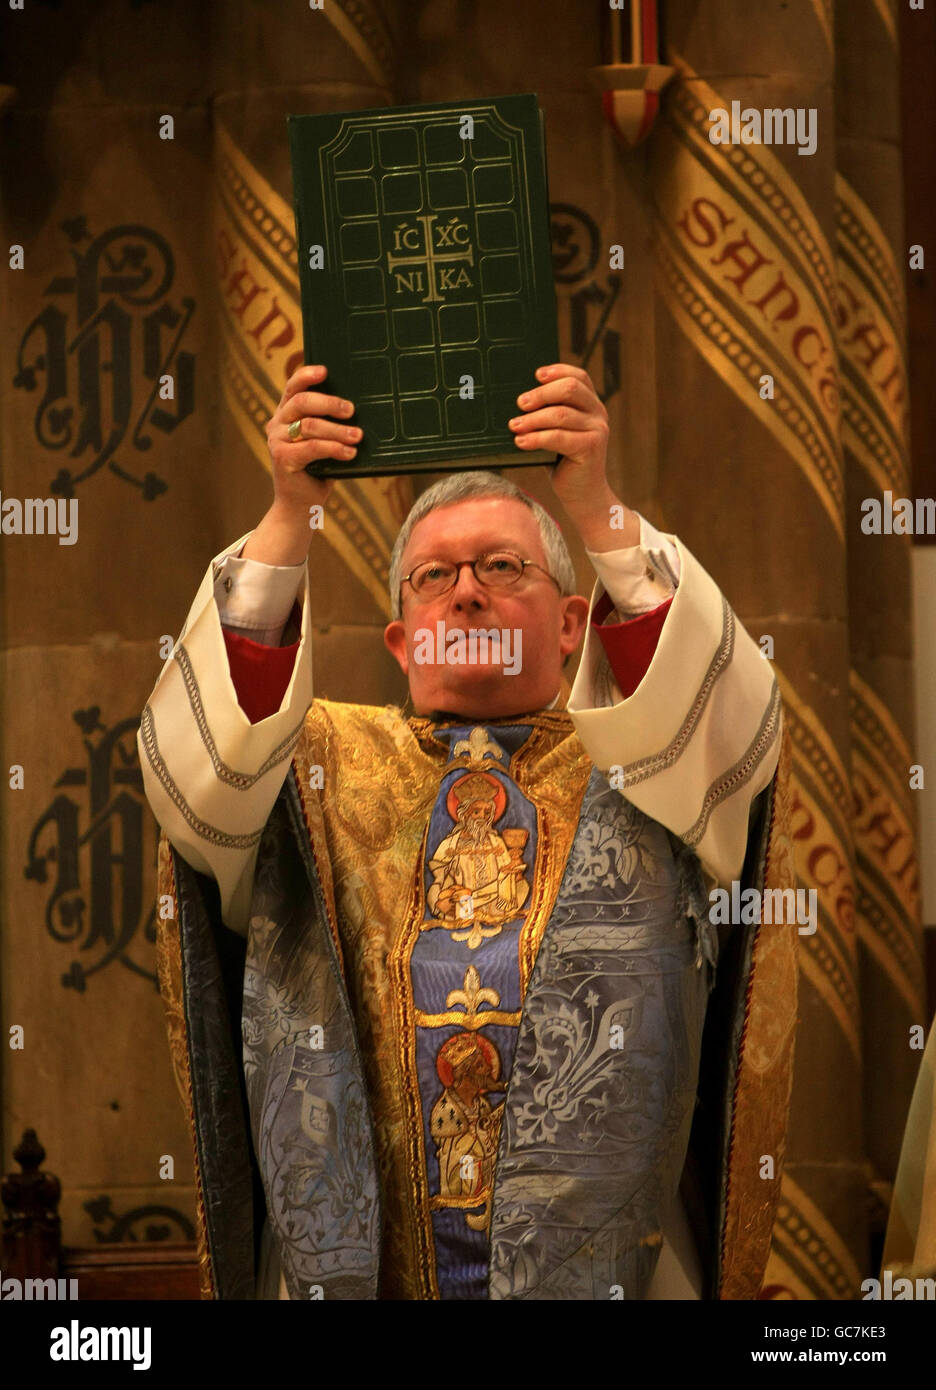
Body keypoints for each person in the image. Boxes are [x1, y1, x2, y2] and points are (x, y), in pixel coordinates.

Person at [138, 361, 797, 1301]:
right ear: (403, 640)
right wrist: (288, 517)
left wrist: (599, 509)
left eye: (502, 567)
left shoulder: (641, 762)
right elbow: (198, 781)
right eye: (433, 578)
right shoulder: (316, 763)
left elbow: (735, 727)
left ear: (575, 623)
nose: (466, 595)